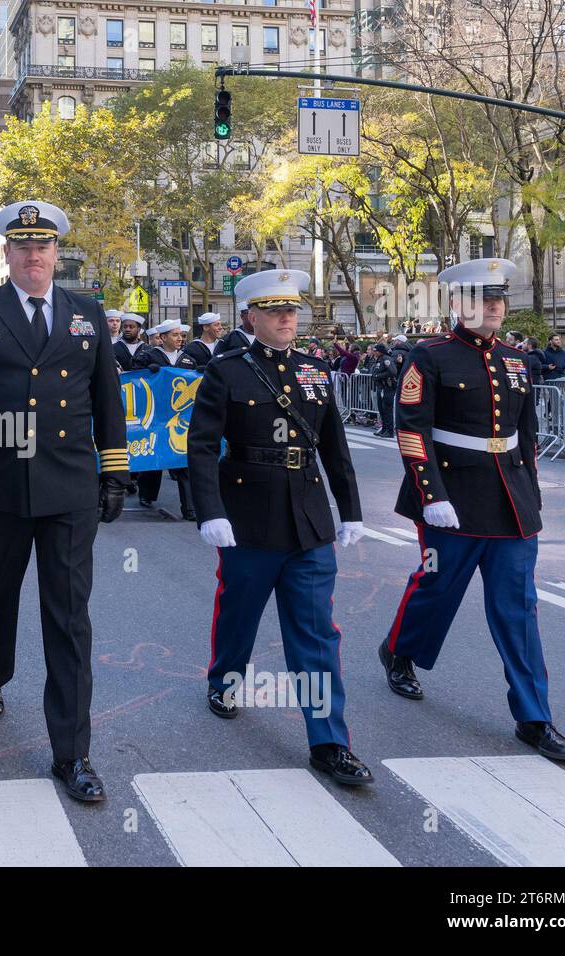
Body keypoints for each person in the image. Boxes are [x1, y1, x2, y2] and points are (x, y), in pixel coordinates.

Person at [0, 200, 129, 803]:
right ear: (8, 254)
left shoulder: (87, 313)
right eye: (23, 247)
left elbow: (108, 399)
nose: (35, 256)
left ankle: (73, 754)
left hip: (69, 489)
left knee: (69, 618)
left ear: (55, 253)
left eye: (44, 247)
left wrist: (113, 470)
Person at [380, 257, 565, 762]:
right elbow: (412, 429)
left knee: (518, 610)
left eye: (498, 299)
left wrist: (531, 489)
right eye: (481, 300)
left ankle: (534, 717)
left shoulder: (515, 360)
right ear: (456, 305)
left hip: (510, 502)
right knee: (436, 588)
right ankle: (400, 652)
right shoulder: (430, 357)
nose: (493, 307)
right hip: (452, 498)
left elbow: (526, 432)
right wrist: (431, 496)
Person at [187, 268, 371, 787]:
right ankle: (225, 679)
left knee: (316, 634)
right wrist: (211, 511)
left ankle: (330, 742)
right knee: (240, 614)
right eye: (275, 310)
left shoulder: (316, 371)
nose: (288, 317)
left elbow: (334, 446)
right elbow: (202, 447)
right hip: (247, 513)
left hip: (309, 515)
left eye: (292, 309)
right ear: (250, 316)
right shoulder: (227, 371)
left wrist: (350, 510)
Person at [133, 318, 198, 520]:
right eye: (175, 335)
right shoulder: (147, 356)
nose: (180, 339)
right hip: (155, 417)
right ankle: (147, 494)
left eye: (181, 335)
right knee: (155, 456)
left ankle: (190, 509)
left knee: (182, 459)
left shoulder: (188, 359)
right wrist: (146, 372)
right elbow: (134, 381)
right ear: (162, 338)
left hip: (180, 418)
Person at [371, 342, 399, 438]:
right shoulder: (379, 359)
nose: (374, 352)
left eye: (376, 351)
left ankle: (390, 431)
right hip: (381, 387)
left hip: (388, 387)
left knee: (387, 409)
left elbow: (393, 372)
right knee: (381, 409)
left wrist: (378, 376)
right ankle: (384, 429)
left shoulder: (386, 359)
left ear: (380, 351)